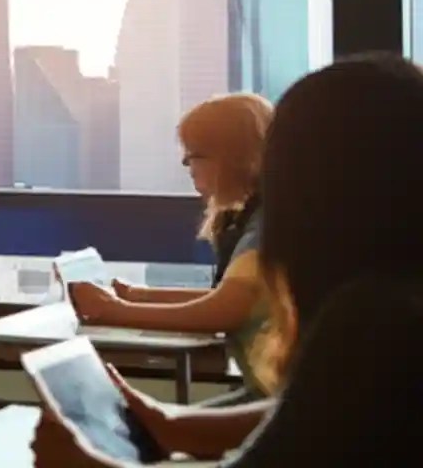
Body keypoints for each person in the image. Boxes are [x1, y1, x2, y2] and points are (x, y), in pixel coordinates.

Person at [33, 54, 423, 466]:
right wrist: (173, 424)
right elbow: (321, 413)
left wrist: (92, 466)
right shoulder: (394, 308)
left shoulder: (376, 320)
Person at [69, 94, 273, 397]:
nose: (187, 165)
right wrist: (140, 295)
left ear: (232, 157)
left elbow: (221, 312)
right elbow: (235, 296)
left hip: (277, 401)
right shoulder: (262, 215)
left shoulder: (268, 223)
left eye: (194, 154)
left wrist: (115, 310)